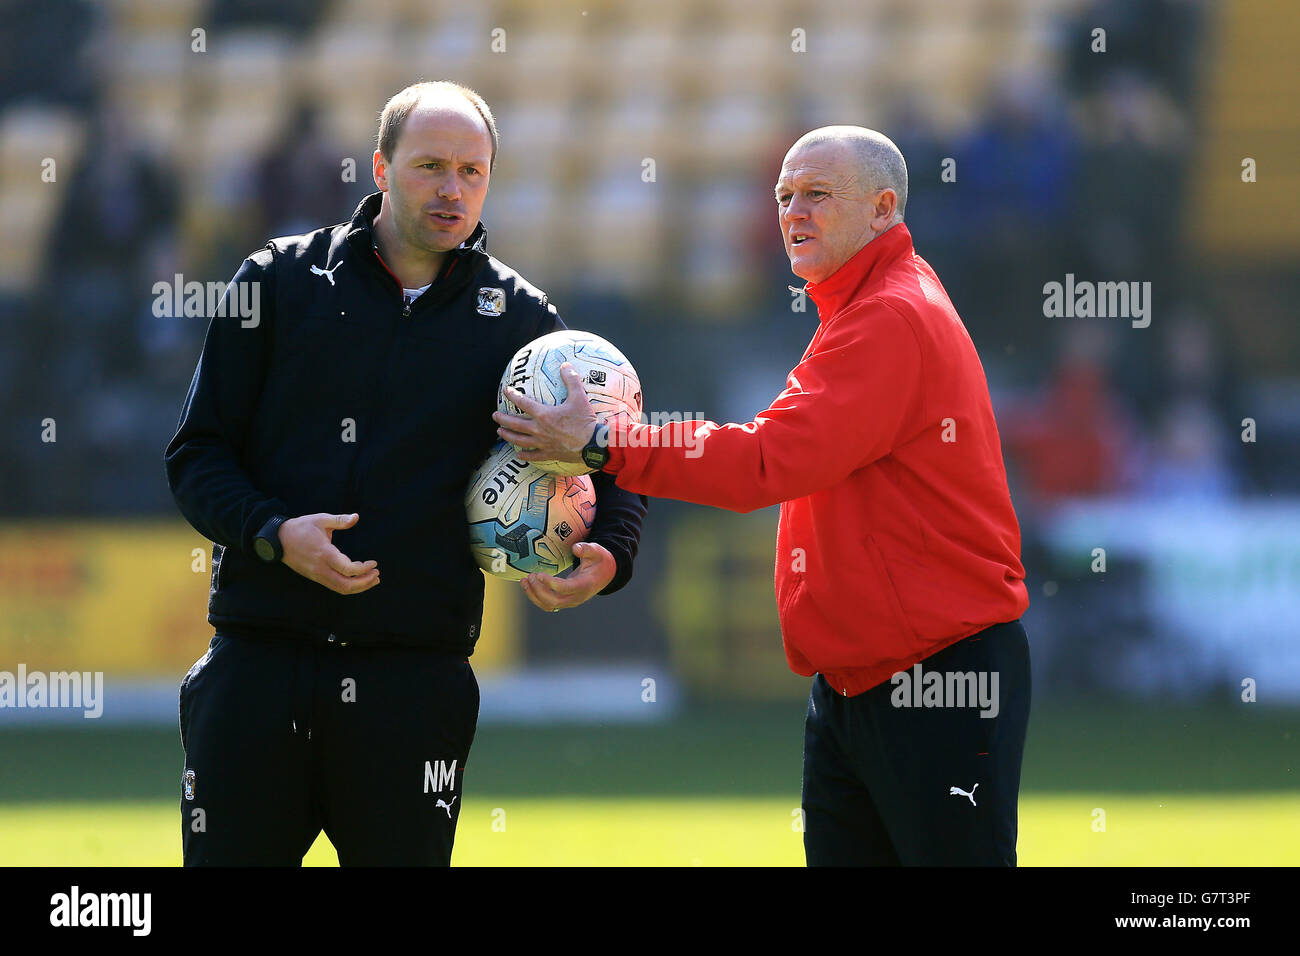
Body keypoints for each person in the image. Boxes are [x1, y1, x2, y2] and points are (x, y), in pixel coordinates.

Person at [495, 127, 1031, 866]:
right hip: (864, 681)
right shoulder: (867, 305)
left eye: (816, 194)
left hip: (932, 677)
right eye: (783, 196)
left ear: (882, 209)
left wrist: (607, 444)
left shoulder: (888, 317)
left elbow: (763, 461)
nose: (792, 213)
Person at [163, 81, 648, 866]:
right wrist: (273, 533)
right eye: (430, 167)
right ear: (382, 170)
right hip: (257, 671)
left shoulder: (521, 320)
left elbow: (616, 449)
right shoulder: (277, 282)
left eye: (472, 171)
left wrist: (612, 551)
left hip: (415, 685)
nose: (453, 189)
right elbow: (196, 455)